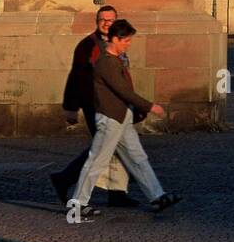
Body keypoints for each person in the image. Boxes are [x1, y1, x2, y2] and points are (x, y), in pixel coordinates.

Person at [69, 19, 182, 218]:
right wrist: (150, 106)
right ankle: (77, 203)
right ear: (115, 39)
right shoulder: (106, 62)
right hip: (111, 118)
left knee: (138, 157)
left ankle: (157, 195)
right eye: (125, 41)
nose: (128, 44)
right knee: (97, 160)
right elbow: (122, 90)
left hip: (122, 117)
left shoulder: (115, 60)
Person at [51, 5, 137, 208]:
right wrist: (71, 107)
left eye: (110, 20)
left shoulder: (117, 42)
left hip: (117, 105)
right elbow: (75, 77)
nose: (106, 23)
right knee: (104, 148)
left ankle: (117, 193)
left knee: (113, 147)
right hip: (95, 105)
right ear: (97, 22)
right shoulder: (88, 45)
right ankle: (64, 179)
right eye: (102, 20)